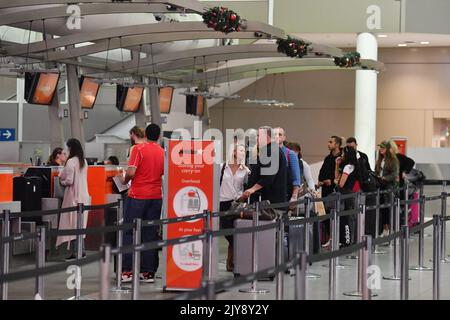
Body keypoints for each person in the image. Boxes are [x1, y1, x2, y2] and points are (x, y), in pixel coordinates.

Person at [120, 124, 164, 283]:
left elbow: (131, 172)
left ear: (145, 134)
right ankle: (148, 272)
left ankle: (127, 271)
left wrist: (124, 180)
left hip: (137, 196)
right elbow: (163, 172)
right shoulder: (162, 152)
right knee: (150, 234)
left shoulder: (137, 149)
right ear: (159, 136)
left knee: (129, 233)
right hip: (156, 197)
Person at [56, 139, 90, 261]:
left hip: (73, 196)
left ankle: (77, 252)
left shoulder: (71, 162)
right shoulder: (84, 162)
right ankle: (82, 250)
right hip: (84, 196)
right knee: (80, 225)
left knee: (73, 224)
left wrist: (61, 181)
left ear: (71, 148)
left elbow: (69, 181)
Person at [220, 144, 250, 272]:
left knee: (237, 232)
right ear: (233, 152)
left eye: (244, 151)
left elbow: (247, 187)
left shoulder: (246, 171)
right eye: (241, 150)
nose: (243, 152)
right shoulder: (222, 167)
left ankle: (232, 262)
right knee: (228, 232)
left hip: (238, 203)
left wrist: (244, 196)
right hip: (223, 203)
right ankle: (232, 261)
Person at [241, 126, 287, 206]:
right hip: (267, 201)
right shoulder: (269, 150)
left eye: (258, 136)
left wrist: (252, 189)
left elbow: (268, 177)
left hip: (268, 203)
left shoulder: (271, 150)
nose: (256, 138)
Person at [318, 136, 342, 246]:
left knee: (336, 214)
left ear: (337, 144)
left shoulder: (341, 158)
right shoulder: (328, 158)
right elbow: (322, 172)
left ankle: (338, 237)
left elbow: (341, 175)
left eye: (331, 142)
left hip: (336, 190)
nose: (328, 144)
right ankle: (329, 237)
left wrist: (331, 181)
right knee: (326, 214)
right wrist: (320, 181)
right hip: (325, 190)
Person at [335, 146, 361, 246]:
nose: (341, 155)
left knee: (346, 219)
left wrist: (336, 182)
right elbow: (337, 177)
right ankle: (348, 240)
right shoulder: (353, 166)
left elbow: (340, 183)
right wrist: (336, 165)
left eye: (343, 153)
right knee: (349, 218)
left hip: (345, 195)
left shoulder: (348, 167)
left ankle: (346, 241)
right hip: (350, 194)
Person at [375, 140, 399, 236]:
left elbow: (394, 174)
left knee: (388, 209)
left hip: (388, 187)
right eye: (380, 147)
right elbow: (376, 171)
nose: (380, 149)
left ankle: (388, 229)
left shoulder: (393, 160)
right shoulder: (379, 160)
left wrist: (385, 178)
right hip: (379, 186)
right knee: (381, 209)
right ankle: (384, 229)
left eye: (383, 147)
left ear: (388, 149)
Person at [274, 127, 301, 205]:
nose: (277, 136)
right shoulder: (267, 153)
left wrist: (294, 197)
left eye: (279, 134)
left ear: (284, 138)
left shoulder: (290, 154)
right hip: (268, 194)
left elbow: (296, 178)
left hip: (284, 193)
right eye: (275, 134)